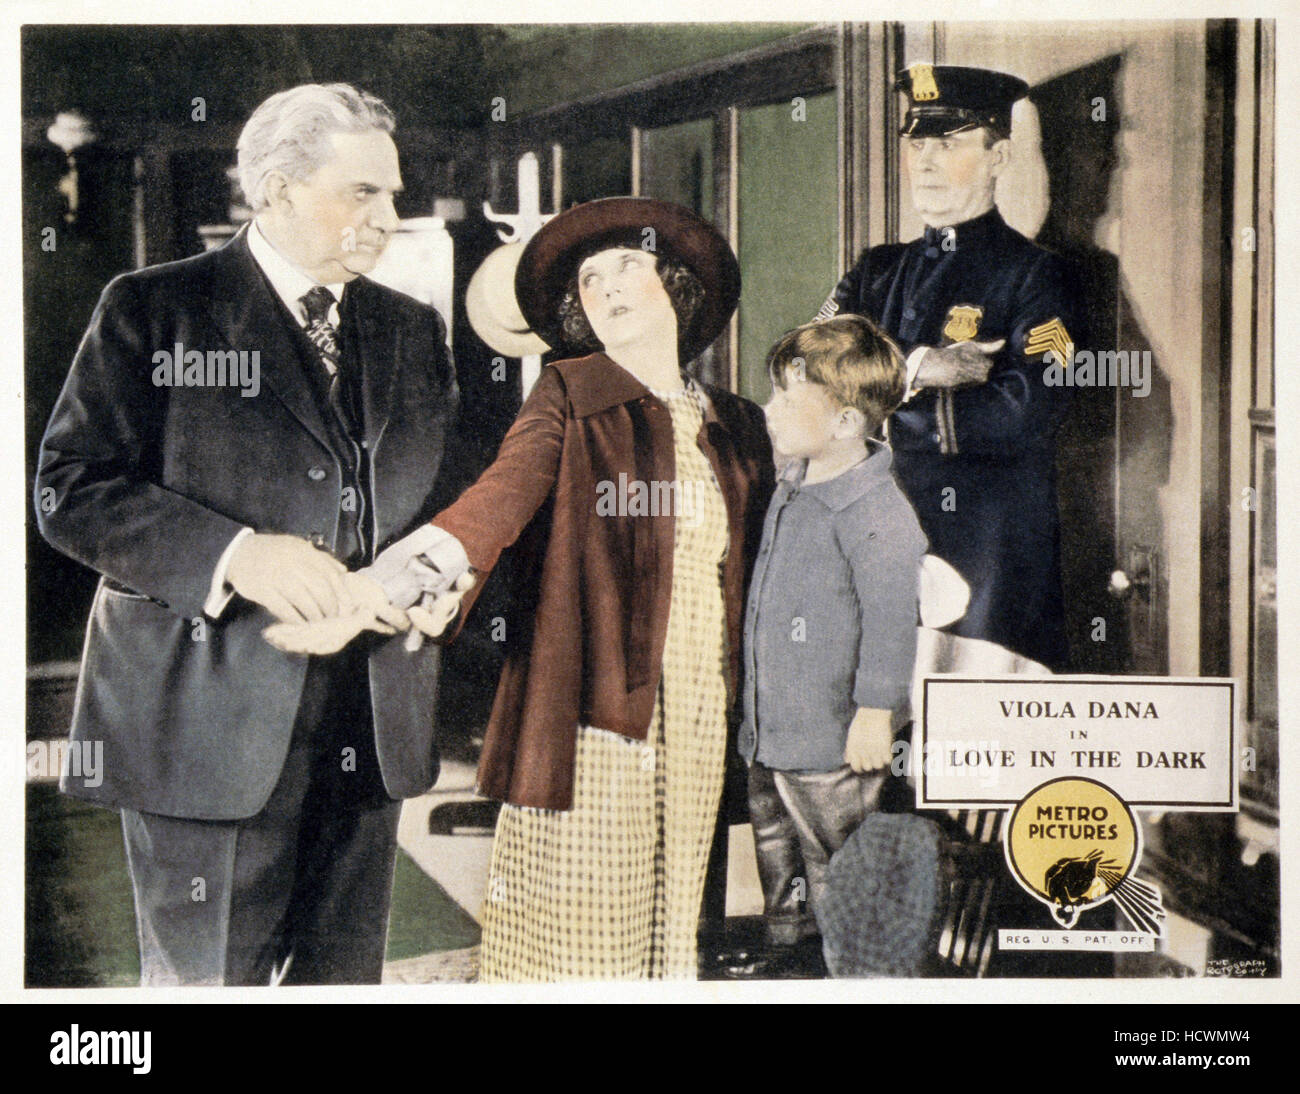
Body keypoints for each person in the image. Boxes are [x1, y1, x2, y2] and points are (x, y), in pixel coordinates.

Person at [34, 83, 458, 985]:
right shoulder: (154, 308)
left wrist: (435, 576)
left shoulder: (410, 328)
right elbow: (69, 489)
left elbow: (447, 501)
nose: (388, 217)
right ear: (275, 189)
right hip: (200, 723)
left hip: (373, 720)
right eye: (362, 193)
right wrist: (237, 555)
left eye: (392, 193)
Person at [372, 197, 774, 981]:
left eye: (628, 265)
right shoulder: (571, 394)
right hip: (590, 700)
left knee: (677, 907)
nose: (610, 287)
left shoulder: (737, 422)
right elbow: (504, 491)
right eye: (591, 281)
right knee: (585, 920)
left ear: (677, 287)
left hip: (700, 698)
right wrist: (429, 565)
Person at [817, 64, 1081, 674]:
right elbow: (804, 371)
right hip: (870, 553)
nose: (927, 162)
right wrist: (918, 367)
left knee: (970, 751)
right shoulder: (876, 270)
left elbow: (1025, 414)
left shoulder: (1037, 275)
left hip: (984, 570)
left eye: (950, 143)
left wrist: (870, 417)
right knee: (870, 746)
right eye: (917, 143)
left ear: (999, 156)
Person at [739, 315, 927, 973]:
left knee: (841, 867)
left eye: (789, 399)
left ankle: (857, 976)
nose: (770, 410)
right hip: (774, 732)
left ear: (848, 423)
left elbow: (891, 619)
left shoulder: (875, 510)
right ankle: (794, 963)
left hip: (833, 739)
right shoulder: (794, 483)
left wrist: (876, 710)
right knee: (777, 849)